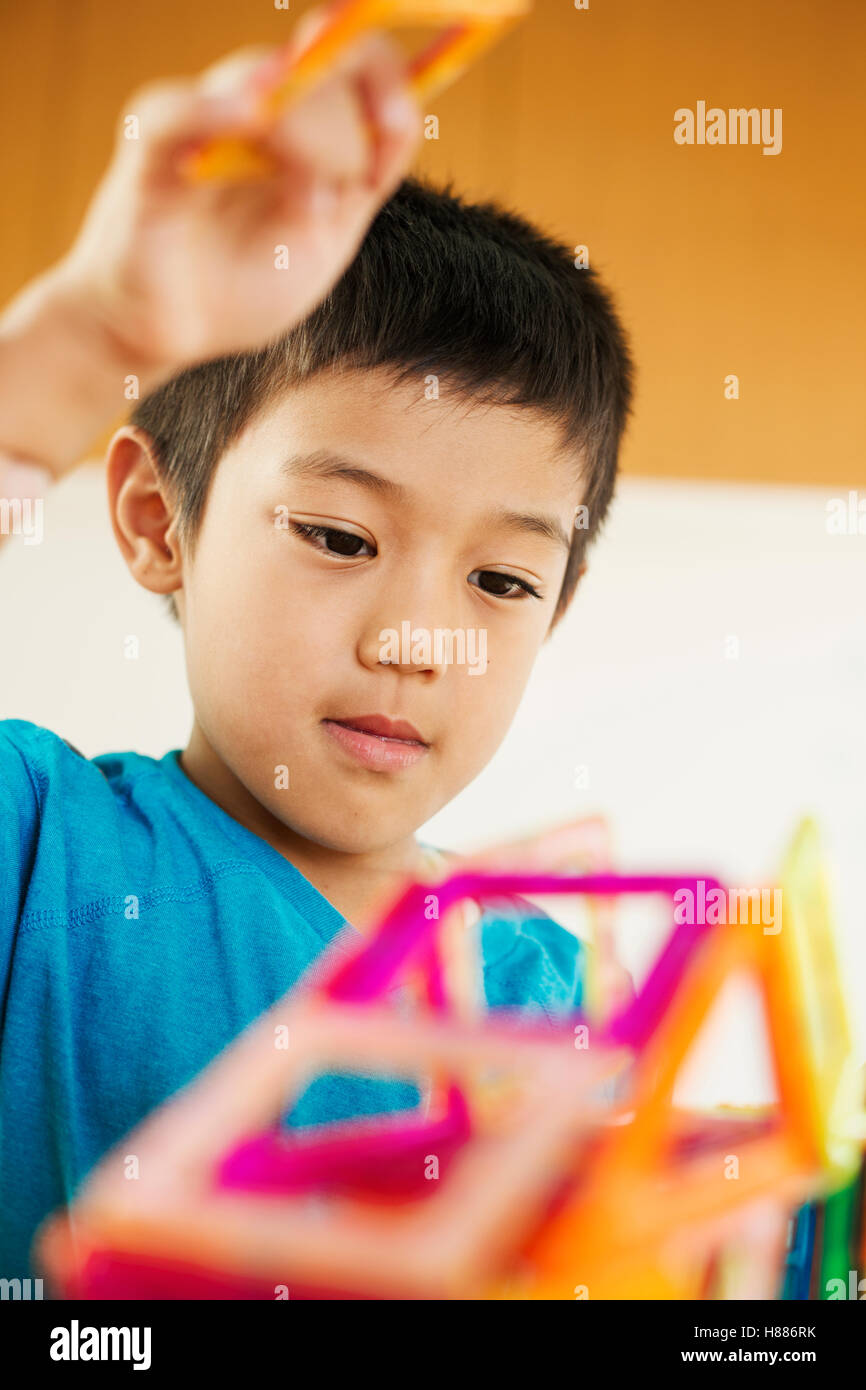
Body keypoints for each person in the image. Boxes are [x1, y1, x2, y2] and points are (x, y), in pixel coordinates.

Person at [0, 8, 633, 1283]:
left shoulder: (543, 977)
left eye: (503, 577)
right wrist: (88, 338)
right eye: (341, 537)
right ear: (154, 521)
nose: (416, 639)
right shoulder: (39, 852)